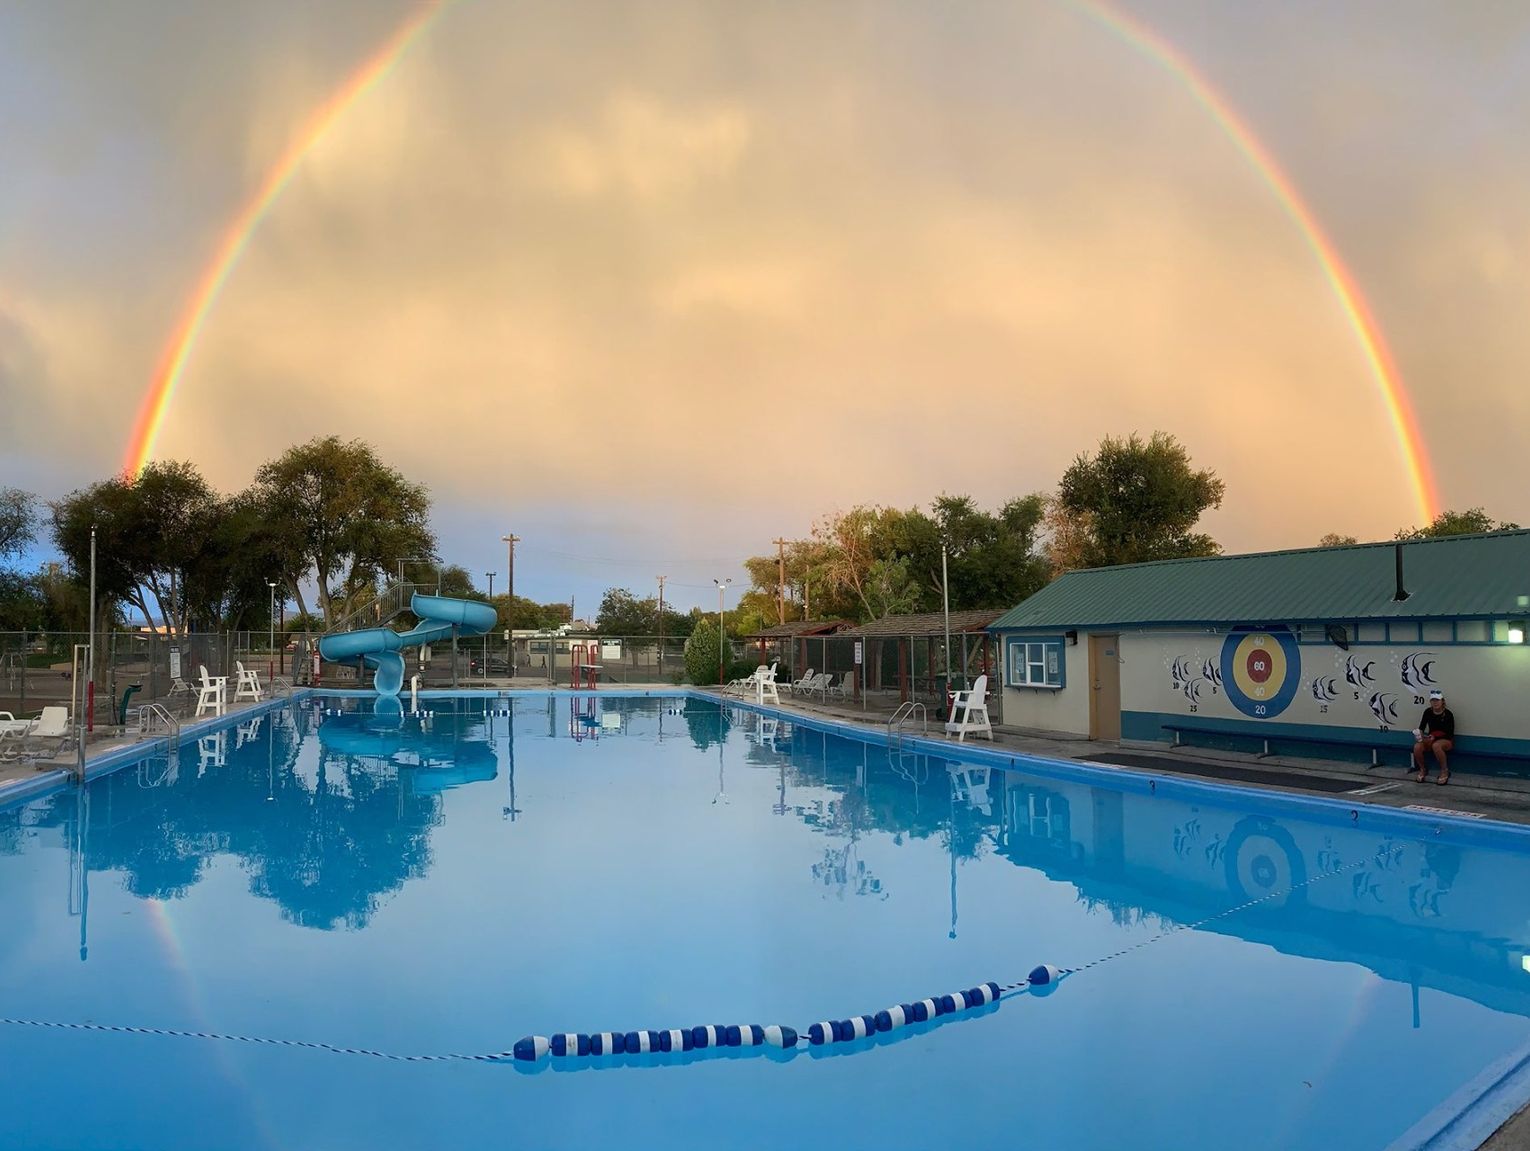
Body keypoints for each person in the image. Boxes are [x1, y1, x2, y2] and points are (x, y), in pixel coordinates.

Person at [1413, 690, 1455, 785]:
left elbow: (1449, 733)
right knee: (1417, 747)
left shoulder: (1448, 714)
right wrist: (1419, 735)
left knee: (1436, 746)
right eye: (1433, 700)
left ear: (1442, 701)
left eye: (1437, 700)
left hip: (1446, 740)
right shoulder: (1428, 712)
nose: (1435, 703)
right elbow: (1422, 727)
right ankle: (1423, 769)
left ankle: (1444, 771)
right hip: (1431, 738)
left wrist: (1434, 736)